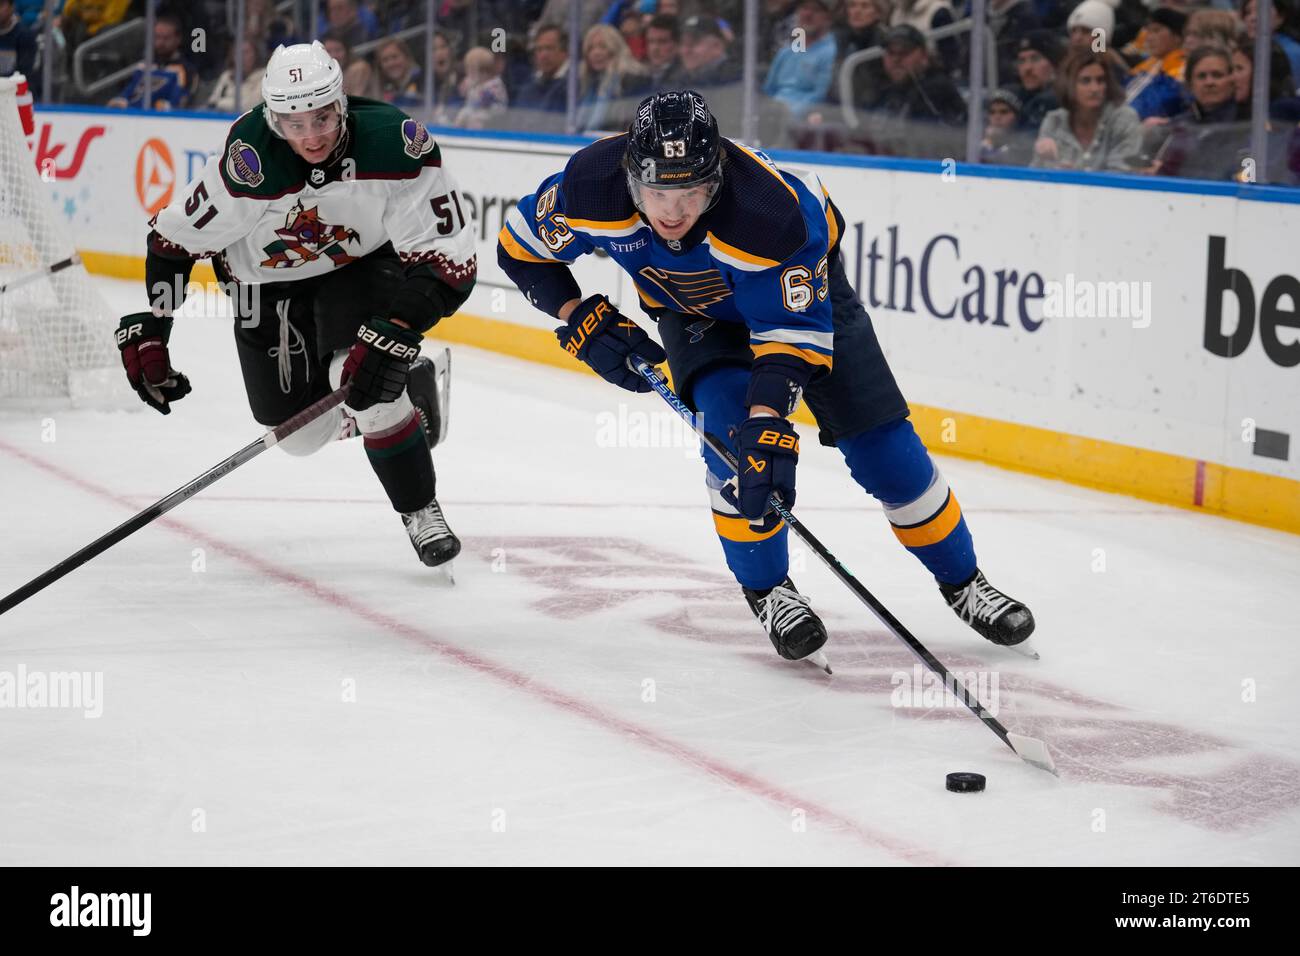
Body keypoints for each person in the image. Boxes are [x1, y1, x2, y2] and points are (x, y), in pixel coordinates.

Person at [496, 90, 1036, 665]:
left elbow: (787, 335)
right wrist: (576, 314)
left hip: (802, 303)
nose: (672, 213)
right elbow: (518, 248)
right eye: (656, 192)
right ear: (630, 177)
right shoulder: (590, 185)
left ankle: (963, 581)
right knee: (732, 450)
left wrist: (769, 421)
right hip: (695, 312)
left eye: (690, 193)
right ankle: (771, 591)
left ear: (717, 179)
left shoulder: (772, 215)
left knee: (884, 450)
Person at [116, 41, 476, 567]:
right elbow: (174, 242)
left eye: (322, 117)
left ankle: (419, 508)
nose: (311, 136)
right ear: (273, 119)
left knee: (366, 381)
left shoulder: (394, 145)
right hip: (263, 286)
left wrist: (397, 330)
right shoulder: (251, 162)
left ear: (342, 105)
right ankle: (402, 391)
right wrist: (156, 323)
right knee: (297, 436)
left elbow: (449, 260)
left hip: (357, 267)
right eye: (294, 123)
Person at [861, 24, 966, 157]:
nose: (896, 59)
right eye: (891, 53)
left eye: (904, 52)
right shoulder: (879, 89)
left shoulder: (937, 90)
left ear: (923, 56)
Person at [1148, 44, 1250, 179]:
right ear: (1190, 85)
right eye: (1201, 76)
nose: (1209, 82)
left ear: (1232, 81)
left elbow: (1247, 177)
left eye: (1217, 75)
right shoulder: (1178, 127)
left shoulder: (1246, 125)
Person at [1032, 48, 1143, 171]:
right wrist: (1044, 159)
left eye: (1100, 80)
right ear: (1069, 85)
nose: (1094, 88)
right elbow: (1033, 177)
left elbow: (1122, 175)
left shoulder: (1124, 118)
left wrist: (1075, 176)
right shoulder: (1054, 121)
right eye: (1085, 81)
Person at [107, 13, 195, 110]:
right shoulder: (143, 64)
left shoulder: (184, 69)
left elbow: (181, 100)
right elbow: (129, 90)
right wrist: (120, 100)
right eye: (157, 37)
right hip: (132, 115)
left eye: (166, 38)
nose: (160, 42)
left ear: (178, 39)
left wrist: (167, 106)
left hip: (160, 119)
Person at [207, 36, 265, 113]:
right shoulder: (226, 76)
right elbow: (212, 102)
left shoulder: (263, 77)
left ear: (255, 55)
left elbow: (249, 106)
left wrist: (219, 103)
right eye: (237, 53)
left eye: (246, 52)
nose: (242, 57)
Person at [322, 32, 377, 98]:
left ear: (347, 51)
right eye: (328, 51)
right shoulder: (325, 73)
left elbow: (354, 100)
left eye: (338, 50)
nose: (333, 56)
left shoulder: (359, 68)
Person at [0, 0, 38, 88]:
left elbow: (24, 77)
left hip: (16, 95)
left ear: (12, 7)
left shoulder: (25, 36)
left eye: (1, 5)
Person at [643, 13, 684, 92]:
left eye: (662, 42)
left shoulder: (684, 78)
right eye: (650, 41)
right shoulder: (641, 76)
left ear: (678, 44)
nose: (655, 48)